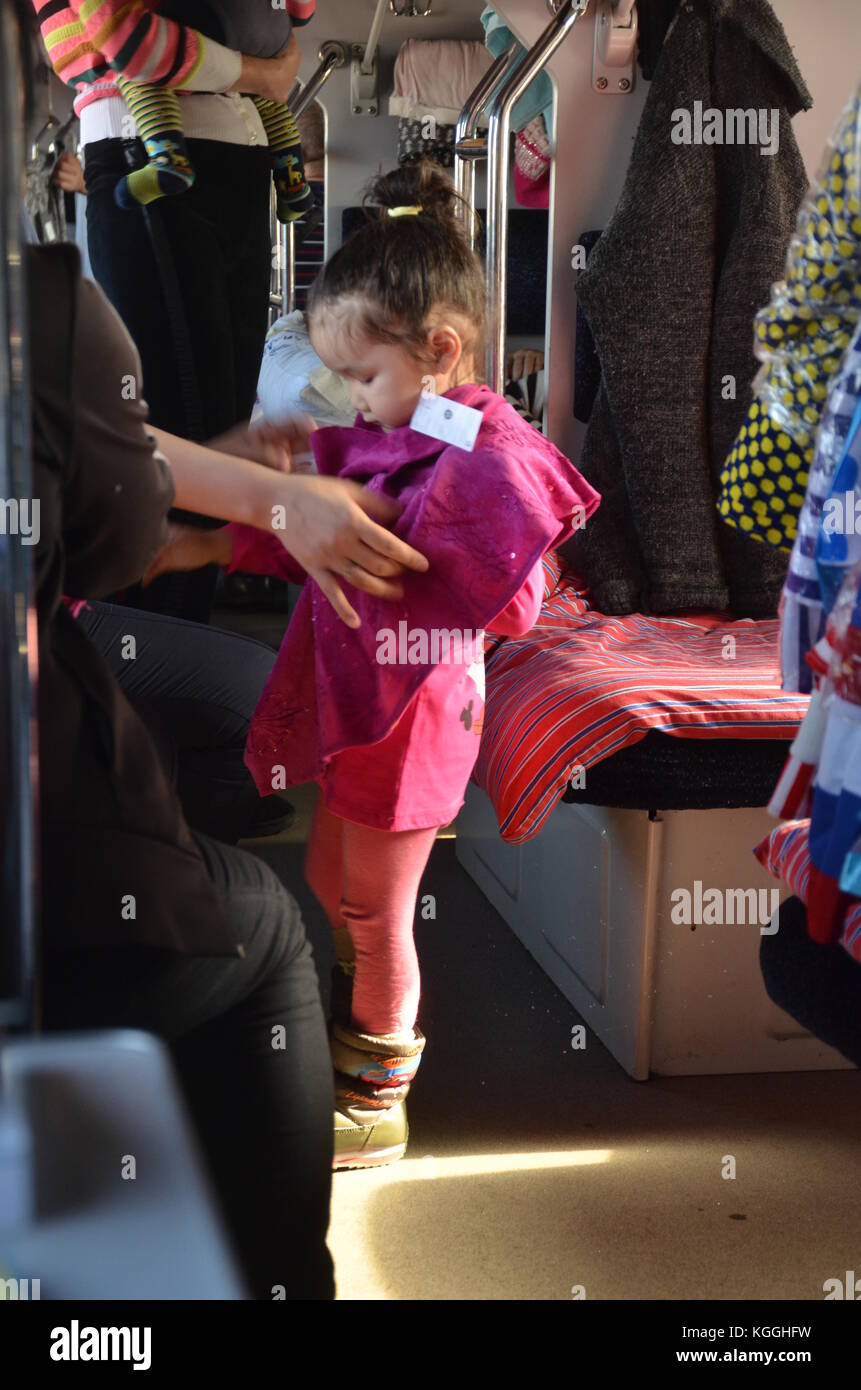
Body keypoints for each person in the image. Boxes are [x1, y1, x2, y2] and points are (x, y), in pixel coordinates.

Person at [147, 161, 602, 1169]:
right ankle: (355, 1017)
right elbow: (335, 504)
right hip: (362, 695)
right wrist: (203, 536)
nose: (352, 399)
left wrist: (436, 543)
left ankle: (376, 1088)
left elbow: (516, 591)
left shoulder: (492, 445)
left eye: (362, 376)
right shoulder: (427, 418)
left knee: (372, 904)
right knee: (322, 867)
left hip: (419, 715)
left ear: (441, 351)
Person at [31, 0, 312, 621]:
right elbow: (125, 39)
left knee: (232, 424)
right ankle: (153, 663)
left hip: (242, 148)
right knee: (191, 431)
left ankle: (179, 650)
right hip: (146, 147)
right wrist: (264, 75)